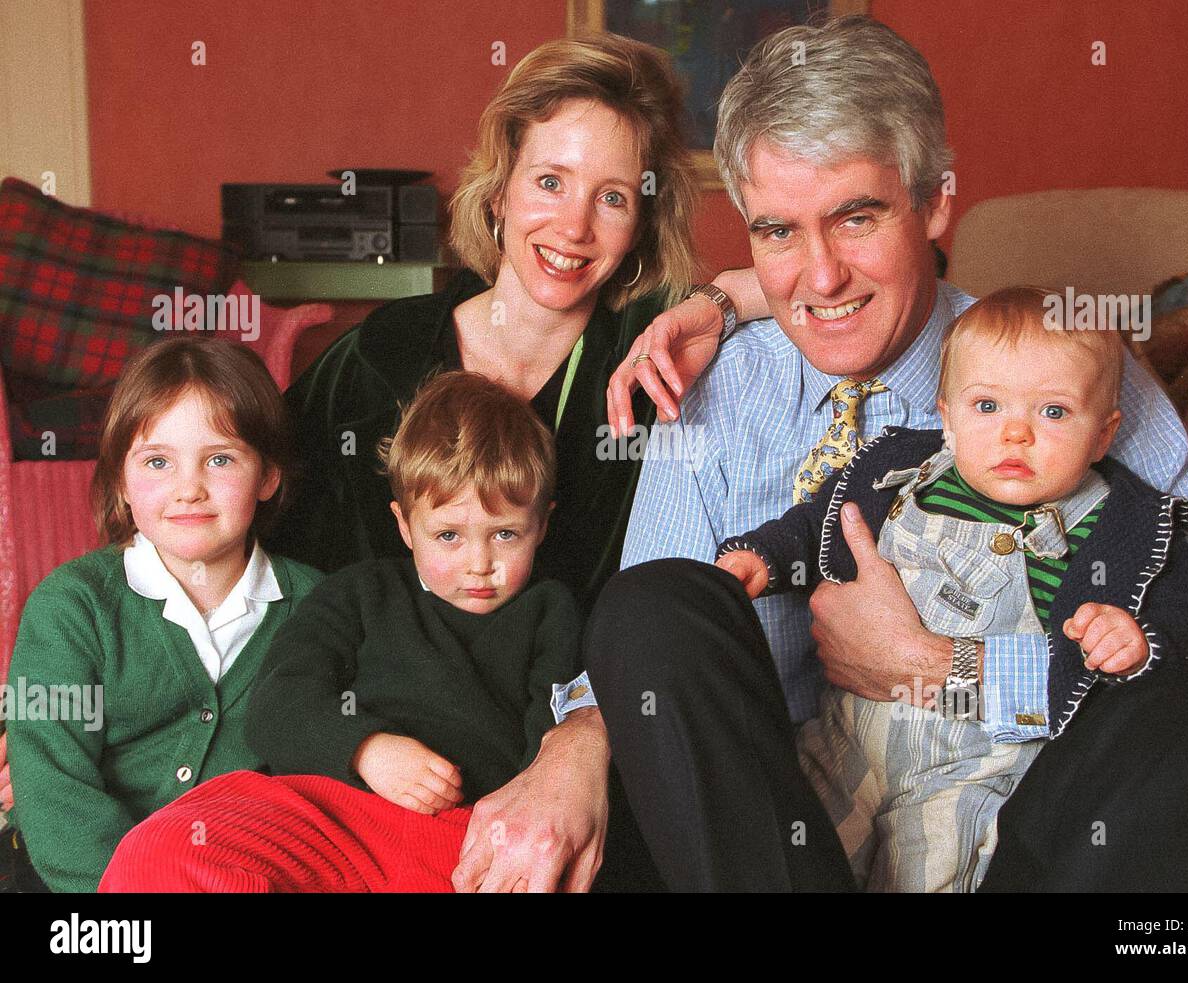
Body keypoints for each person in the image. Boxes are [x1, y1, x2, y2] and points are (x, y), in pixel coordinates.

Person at [560, 15, 1188, 892]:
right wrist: (567, 750)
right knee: (649, 606)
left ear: (937, 200)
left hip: (1014, 832)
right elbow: (653, 674)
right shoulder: (713, 383)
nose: (820, 278)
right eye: (778, 233)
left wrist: (945, 671)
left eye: (856, 216)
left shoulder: (1068, 381)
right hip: (779, 836)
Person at [257, 33, 771, 893]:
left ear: (643, 219)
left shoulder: (651, 375)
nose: (572, 228)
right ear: (497, 192)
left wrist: (720, 299)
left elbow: (815, 284)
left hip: (558, 772)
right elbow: (232, 522)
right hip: (360, 772)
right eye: (549, 182)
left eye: (612, 197)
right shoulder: (380, 357)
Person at [714, 287, 1188, 890]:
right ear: (946, 412)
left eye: (1053, 413)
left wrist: (1140, 641)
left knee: (932, 872)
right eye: (987, 407)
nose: (1016, 435)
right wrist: (764, 558)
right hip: (844, 739)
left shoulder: (1125, 526)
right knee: (794, 854)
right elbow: (817, 520)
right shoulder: (899, 474)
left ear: (1104, 433)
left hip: (973, 768)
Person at [101, 372, 582, 892]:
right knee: (160, 852)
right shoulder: (359, 593)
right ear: (404, 525)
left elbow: (552, 757)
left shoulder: (551, 614)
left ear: (543, 524)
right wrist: (366, 749)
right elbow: (278, 704)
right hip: (326, 813)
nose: (479, 564)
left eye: (506, 534)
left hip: (462, 839)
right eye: (448, 535)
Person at [3, 337, 322, 892]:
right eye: (157, 461)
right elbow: (53, 791)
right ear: (123, 484)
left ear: (268, 476)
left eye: (220, 459)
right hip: (88, 891)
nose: (189, 489)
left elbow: (323, 780)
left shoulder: (319, 606)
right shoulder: (71, 607)